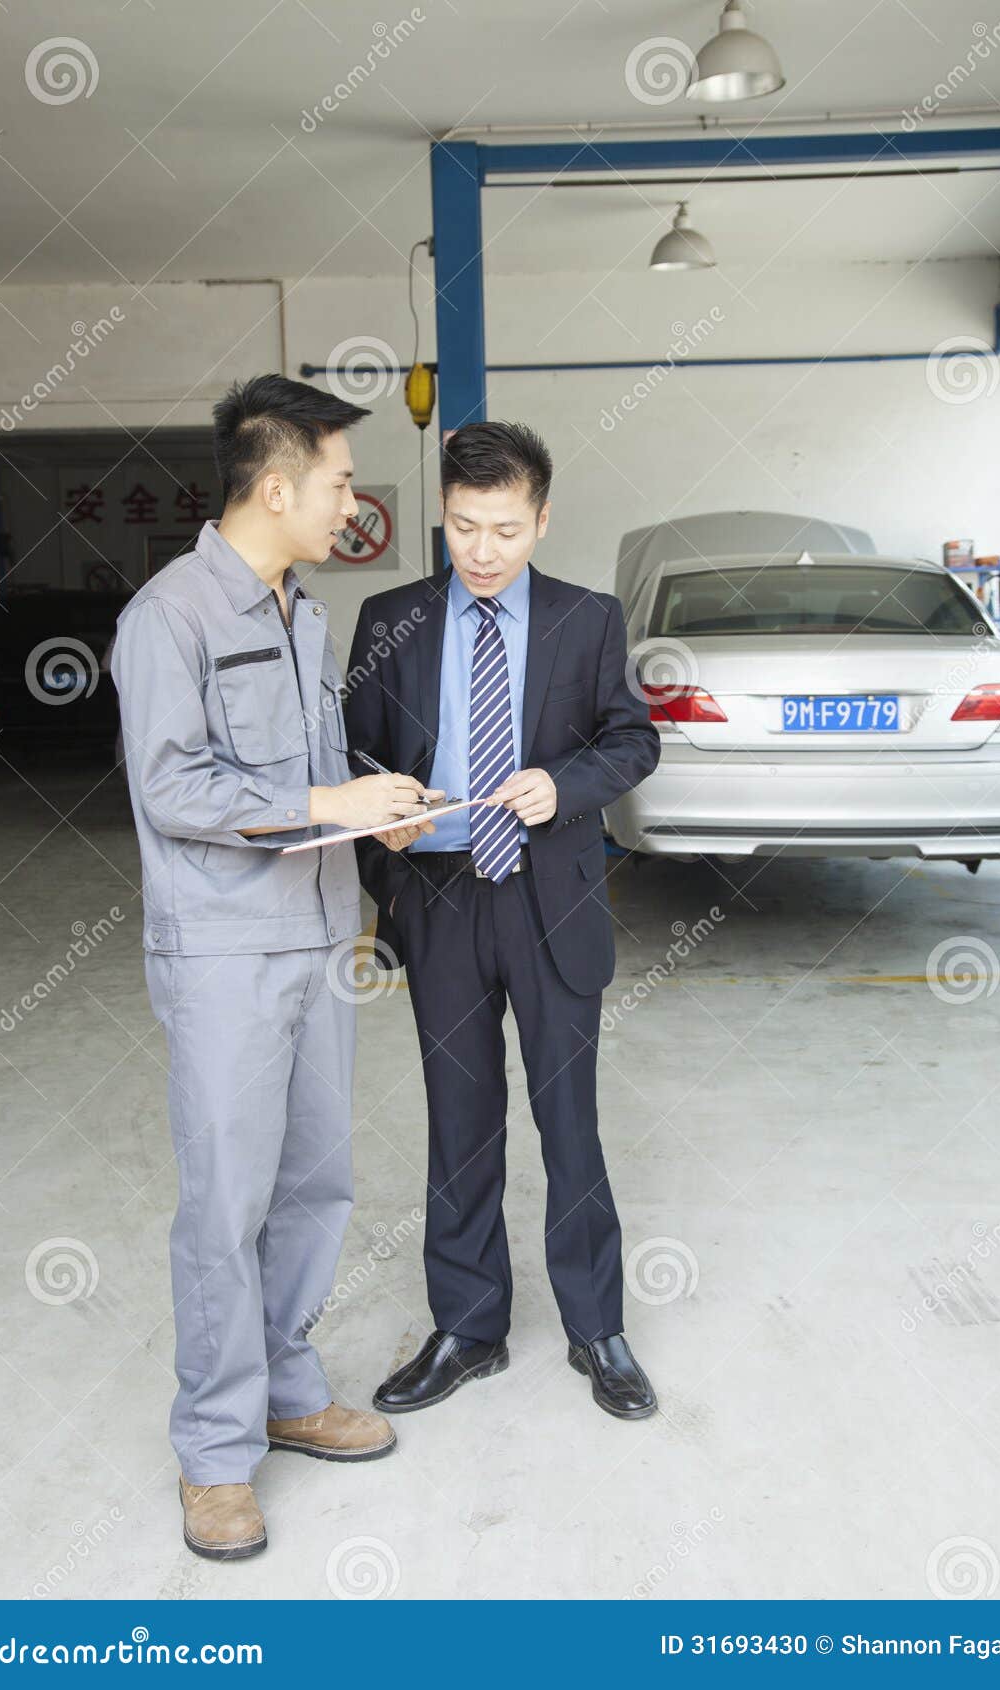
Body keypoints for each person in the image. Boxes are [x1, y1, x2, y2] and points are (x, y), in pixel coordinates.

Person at [112, 374, 437, 1560]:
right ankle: (213, 1450)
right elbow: (173, 788)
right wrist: (322, 798)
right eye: (343, 481)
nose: (352, 502)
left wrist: (374, 810)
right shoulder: (171, 616)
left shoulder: (303, 611)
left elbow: (315, 764)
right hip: (222, 954)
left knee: (316, 1183)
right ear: (278, 482)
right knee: (227, 1200)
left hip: (317, 933)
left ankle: (289, 1391)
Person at [344, 421, 662, 1422]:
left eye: (507, 530)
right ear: (443, 512)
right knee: (459, 1126)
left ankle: (596, 1327)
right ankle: (469, 1326)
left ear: (542, 520)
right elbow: (351, 758)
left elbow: (632, 739)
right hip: (438, 905)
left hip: (547, 901)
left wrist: (561, 786)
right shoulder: (389, 618)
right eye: (466, 527)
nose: (483, 552)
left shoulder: (588, 619)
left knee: (570, 1124)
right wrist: (380, 840)